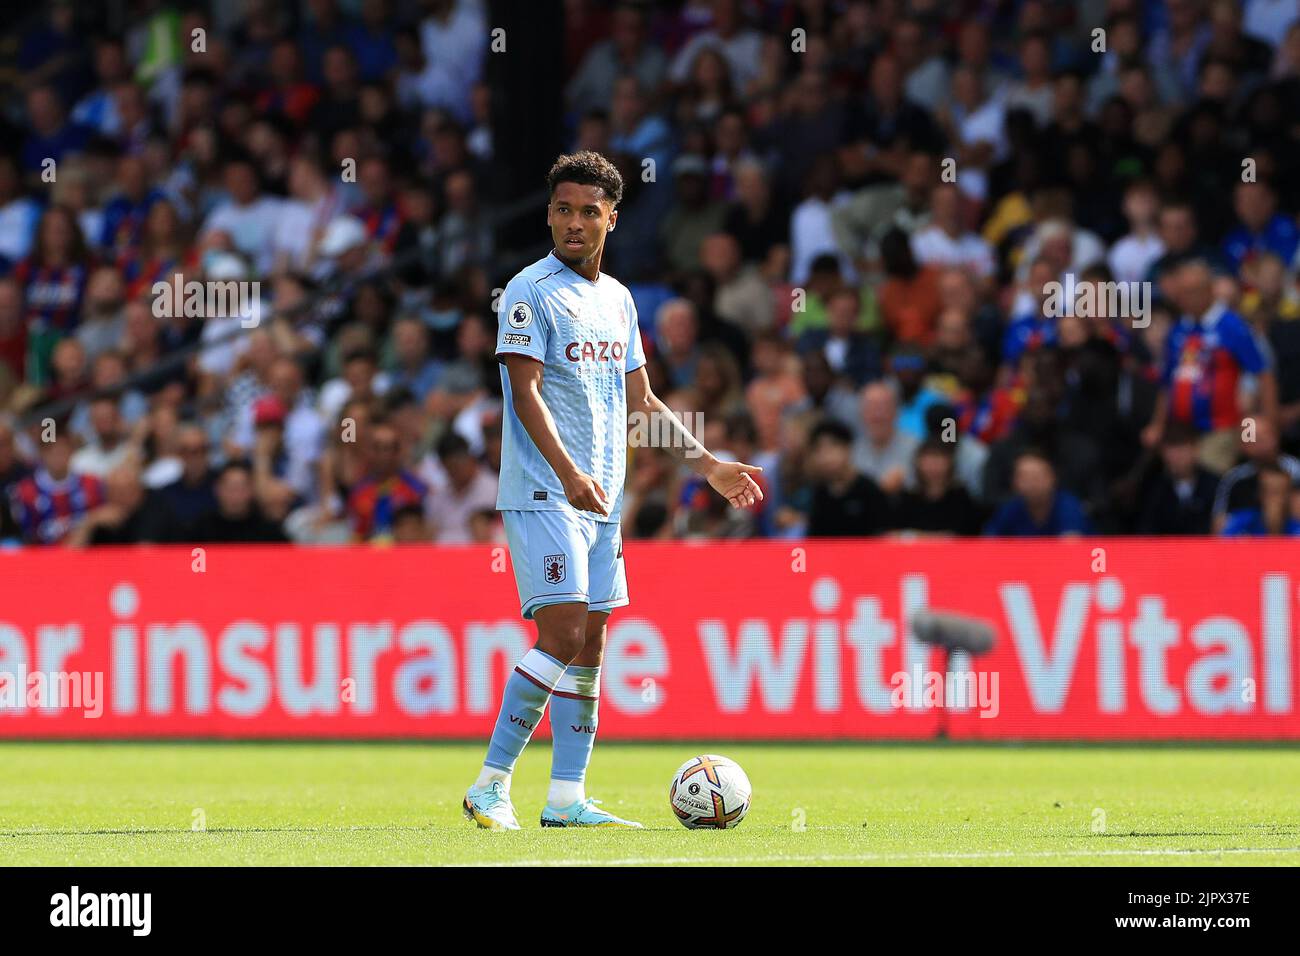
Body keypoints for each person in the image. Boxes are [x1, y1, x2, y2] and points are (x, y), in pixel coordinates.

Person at [464, 152, 762, 830]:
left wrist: (707, 461)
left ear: (612, 219)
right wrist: (569, 472)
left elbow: (642, 399)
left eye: (588, 212)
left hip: (603, 501)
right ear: (548, 214)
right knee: (563, 632)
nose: (574, 223)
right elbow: (523, 389)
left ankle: (566, 797)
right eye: (563, 210)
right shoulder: (527, 291)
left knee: (592, 645)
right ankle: (489, 785)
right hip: (545, 492)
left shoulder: (620, 300)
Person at [984, 449, 1093, 537]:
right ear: (1014, 482)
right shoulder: (1011, 508)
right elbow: (988, 544)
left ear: (1052, 477)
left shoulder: (1068, 506)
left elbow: (1072, 548)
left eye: (1037, 476)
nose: (1032, 483)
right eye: (1025, 477)